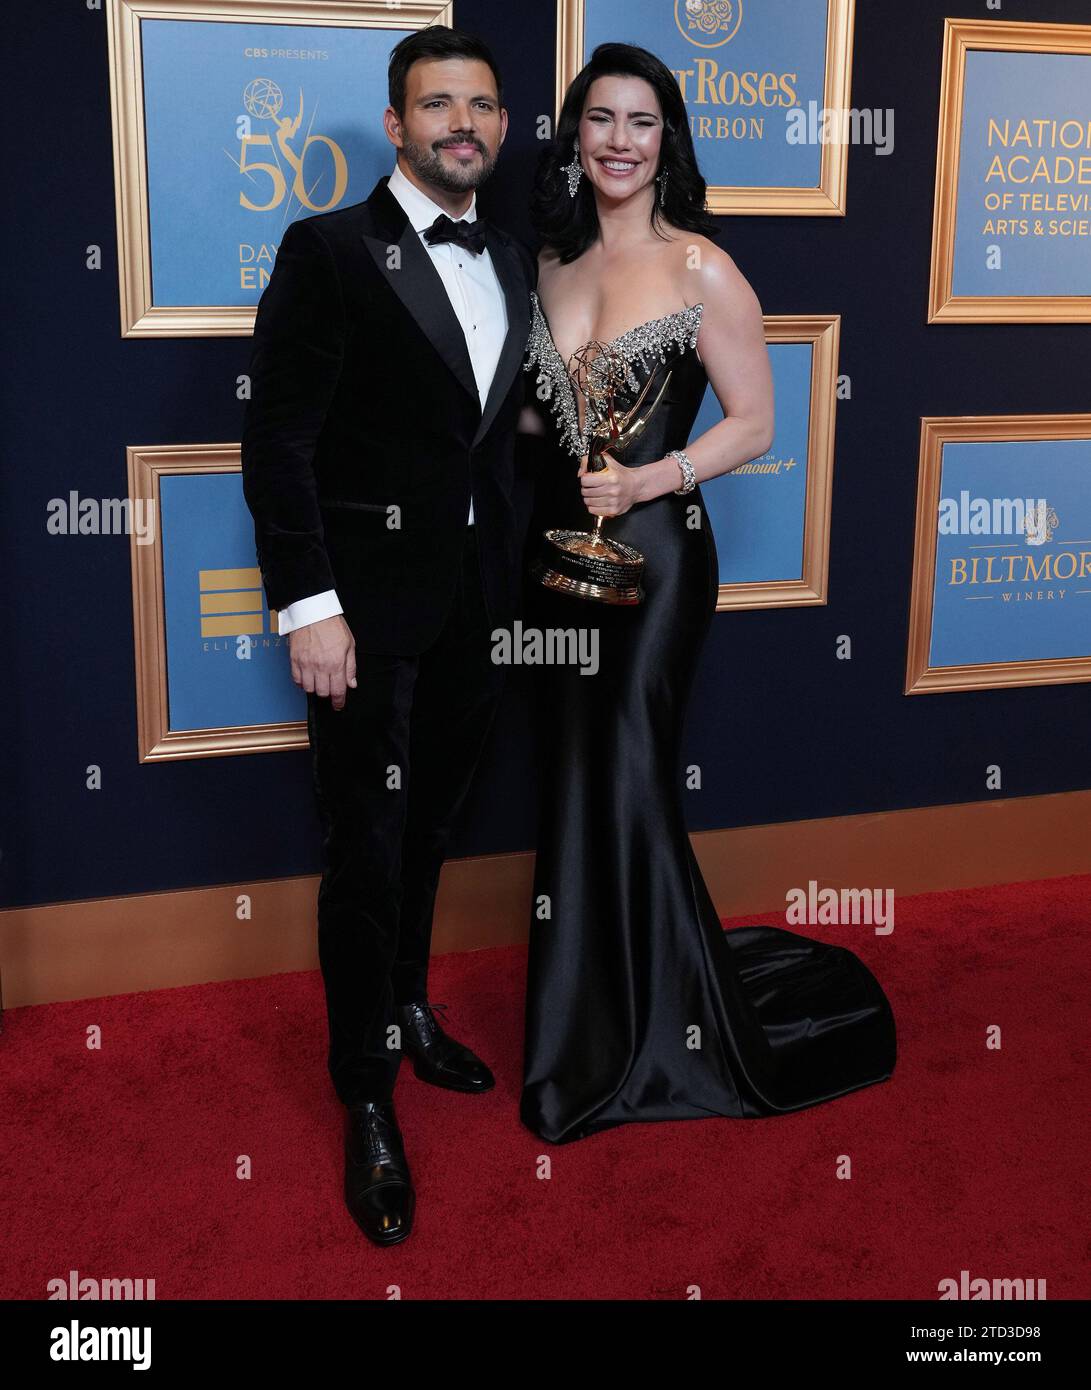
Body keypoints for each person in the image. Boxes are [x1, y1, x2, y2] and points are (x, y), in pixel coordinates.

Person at [519, 44, 896, 1144]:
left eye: (641, 122)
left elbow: (756, 422)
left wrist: (649, 479)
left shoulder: (702, 269)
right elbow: (539, 414)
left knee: (630, 774)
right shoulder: (546, 261)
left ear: (667, 141)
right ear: (575, 135)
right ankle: (582, 1023)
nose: (619, 141)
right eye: (600, 119)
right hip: (554, 562)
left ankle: (655, 1042)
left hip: (657, 557)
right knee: (572, 779)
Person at [241, 26, 534, 1243]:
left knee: (433, 825)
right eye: (437, 104)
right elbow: (279, 443)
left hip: (478, 601)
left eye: (481, 104)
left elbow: (490, 434)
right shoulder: (326, 251)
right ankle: (365, 1094)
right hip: (359, 615)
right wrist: (309, 605)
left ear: (502, 125)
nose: (462, 123)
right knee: (362, 849)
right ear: (398, 121)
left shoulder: (510, 255)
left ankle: (410, 1007)